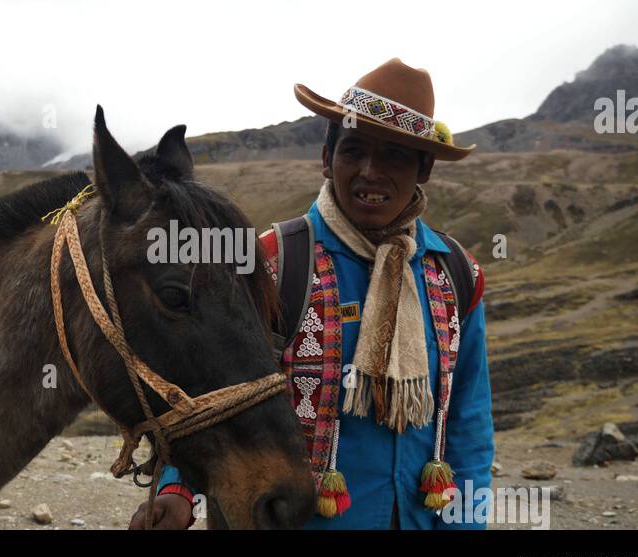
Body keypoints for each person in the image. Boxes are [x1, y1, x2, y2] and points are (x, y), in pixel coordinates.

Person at [130, 58, 494, 529]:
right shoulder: (271, 263)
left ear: (424, 169)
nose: (370, 172)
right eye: (353, 151)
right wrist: (177, 488)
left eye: (395, 156)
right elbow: (209, 386)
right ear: (327, 158)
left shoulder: (455, 273)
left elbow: (469, 420)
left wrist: (468, 523)